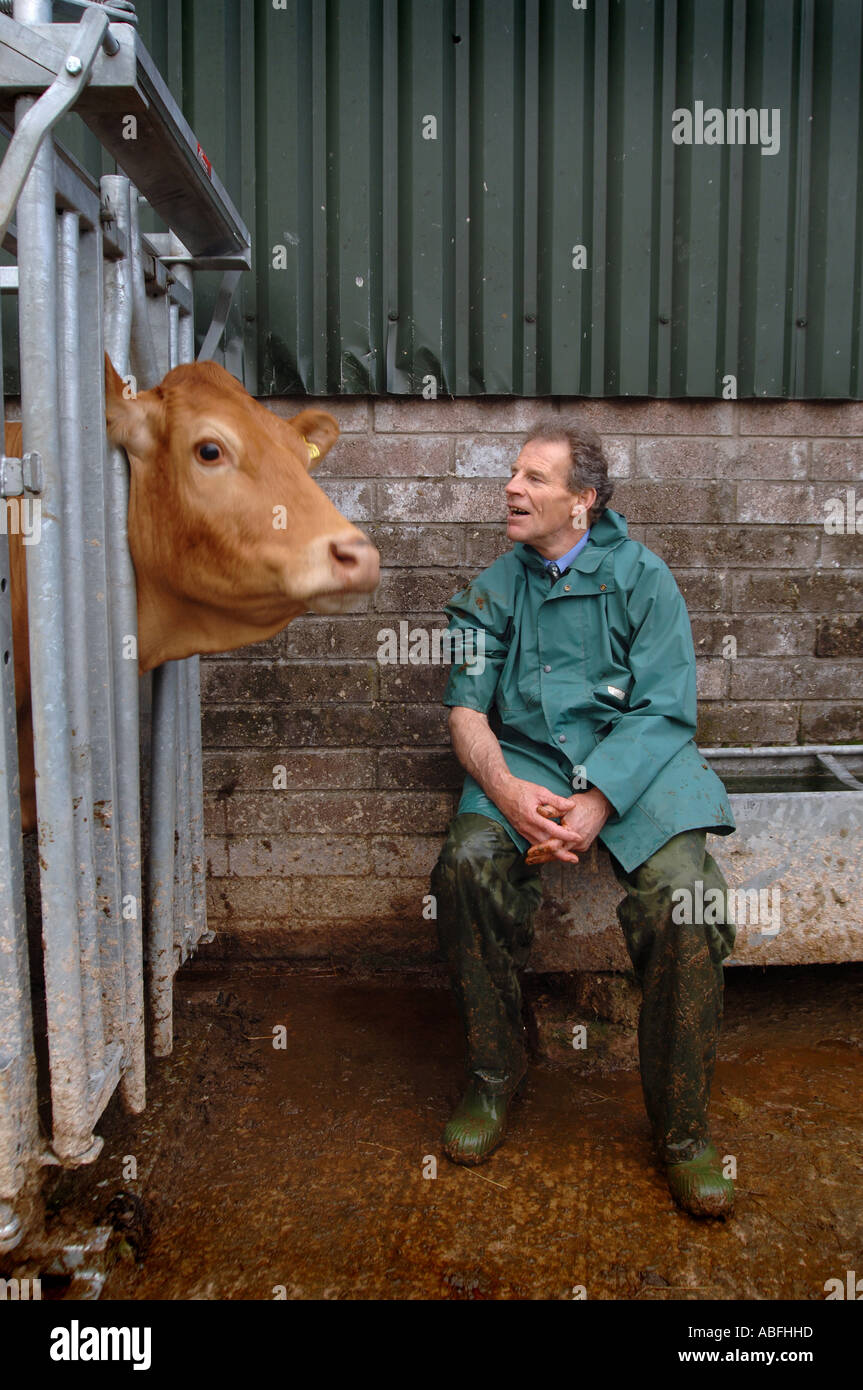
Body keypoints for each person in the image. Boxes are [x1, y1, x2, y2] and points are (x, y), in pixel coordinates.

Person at [430, 421, 738, 1219]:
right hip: (525, 764)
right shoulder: (490, 589)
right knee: (463, 867)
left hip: (637, 766)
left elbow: (666, 710)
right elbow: (465, 713)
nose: (511, 487)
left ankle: (682, 1130)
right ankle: (496, 1075)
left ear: (582, 501)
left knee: (684, 904)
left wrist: (599, 800)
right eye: (512, 473)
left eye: (534, 477)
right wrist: (504, 792)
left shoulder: (644, 579)